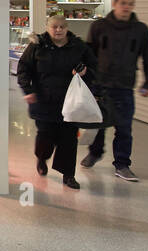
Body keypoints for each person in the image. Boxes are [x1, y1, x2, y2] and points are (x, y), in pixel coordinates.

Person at [16, 13, 97, 189]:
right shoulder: (37, 46)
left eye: (62, 26)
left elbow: (94, 68)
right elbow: (23, 68)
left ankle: (68, 175)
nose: (58, 30)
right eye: (55, 26)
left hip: (71, 101)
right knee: (45, 135)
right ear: (47, 27)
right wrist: (27, 90)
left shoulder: (78, 46)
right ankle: (42, 158)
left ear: (67, 28)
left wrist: (85, 72)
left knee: (69, 138)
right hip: (44, 100)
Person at [82, 0, 148, 181]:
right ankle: (95, 153)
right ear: (115, 4)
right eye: (123, 3)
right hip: (100, 84)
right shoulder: (99, 26)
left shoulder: (140, 29)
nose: (126, 7)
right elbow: (89, 53)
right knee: (97, 124)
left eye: (130, 3)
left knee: (124, 128)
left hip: (124, 87)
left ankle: (122, 164)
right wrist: (86, 77)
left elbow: (147, 56)